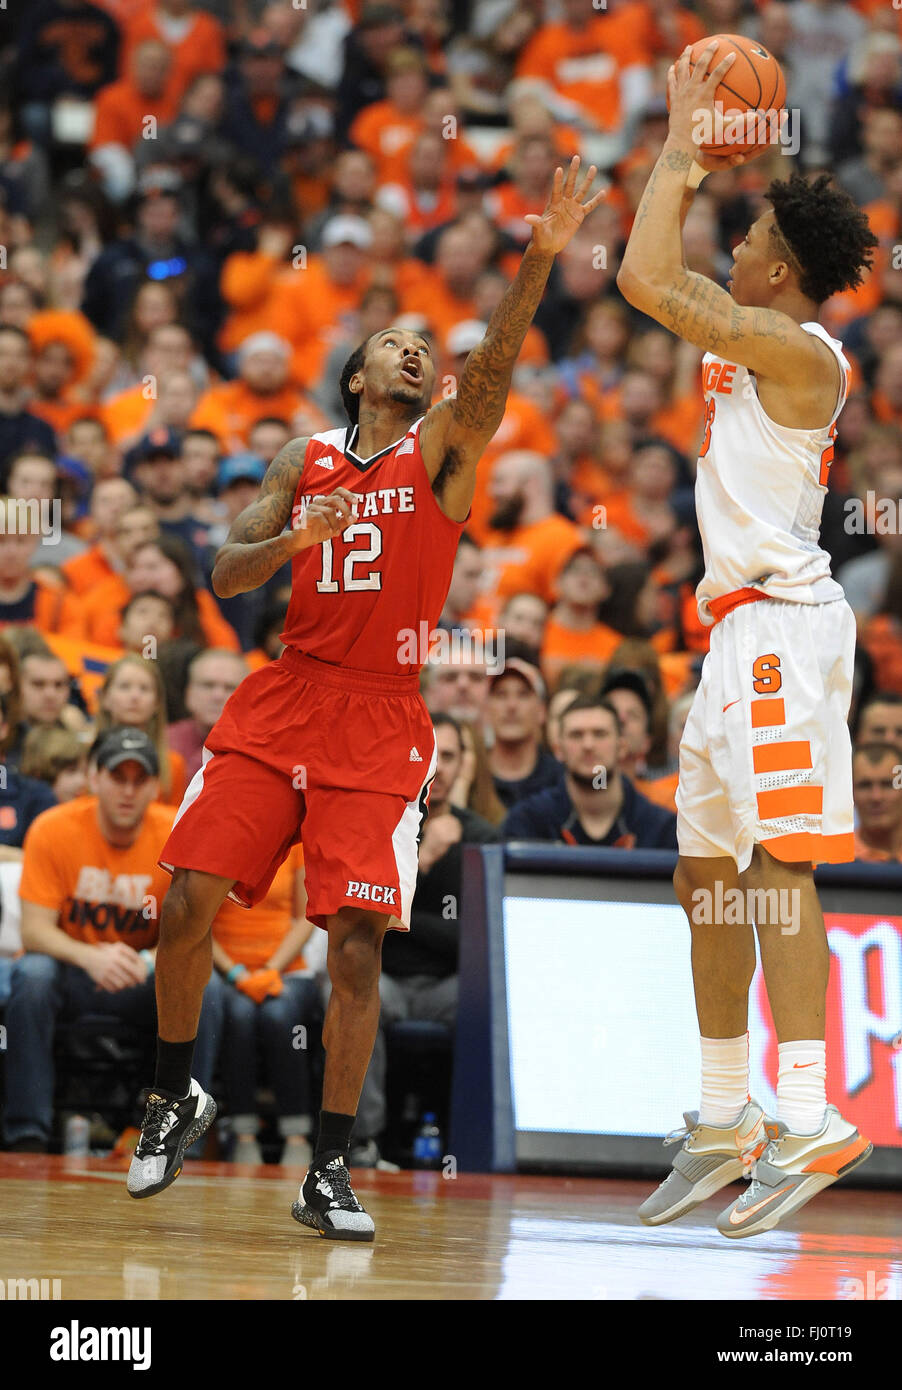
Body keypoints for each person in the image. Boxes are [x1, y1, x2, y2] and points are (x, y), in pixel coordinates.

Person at [126, 156, 604, 1239]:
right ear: (353, 375)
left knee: (354, 945)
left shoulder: (442, 451)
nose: (416, 349)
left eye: (423, 345)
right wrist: (297, 535)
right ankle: (172, 1094)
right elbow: (224, 575)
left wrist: (533, 260)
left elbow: (490, 372)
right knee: (188, 901)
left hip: (381, 713)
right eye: (394, 341)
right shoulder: (300, 458)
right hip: (284, 693)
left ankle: (329, 1167)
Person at [616, 44, 879, 1237]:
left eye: (749, 236)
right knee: (701, 878)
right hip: (730, 637)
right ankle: (726, 1112)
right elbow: (665, 273)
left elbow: (643, 281)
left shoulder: (800, 350)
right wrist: (708, 150)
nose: (733, 244)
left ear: (778, 266)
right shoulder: (757, 329)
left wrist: (682, 138)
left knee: (779, 865)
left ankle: (811, 1110)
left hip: (780, 627)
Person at [1, 728, 219, 1152]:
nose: (128, 791)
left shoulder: (178, 833)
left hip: (145, 977)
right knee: (32, 974)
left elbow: (197, 934)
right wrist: (90, 957)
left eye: (140, 780)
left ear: (156, 787)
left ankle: (181, 1138)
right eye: (118, 777)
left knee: (201, 988)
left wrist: (153, 961)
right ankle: (27, 1131)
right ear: (94, 778)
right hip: (74, 973)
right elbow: (34, 929)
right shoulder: (53, 828)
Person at [353, 712, 500, 1161]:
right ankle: (361, 1144)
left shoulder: (482, 838)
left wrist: (408, 923)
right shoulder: (379, 828)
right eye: (427, 756)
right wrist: (425, 857)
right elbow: (362, 923)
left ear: (463, 767)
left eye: (449, 757)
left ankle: (473, 1145)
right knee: (353, 992)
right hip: (387, 978)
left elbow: (479, 946)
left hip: (450, 987)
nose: (436, 768)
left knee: (490, 1002)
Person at [502, 694, 678, 848]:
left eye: (600, 734)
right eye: (576, 735)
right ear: (558, 750)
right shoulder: (527, 823)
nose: (588, 745)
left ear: (622, 747)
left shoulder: (662, 830)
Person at [485, 657, 560, 810]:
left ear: (542, 710)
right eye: (501, 694)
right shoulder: (471, 777)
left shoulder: (562, 780)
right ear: (486, 710)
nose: (511, 705)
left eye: (523, 694)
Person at [166, 648, 249, 783]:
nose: (217, 696)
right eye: (208, 685)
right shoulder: (165, 742)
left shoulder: (257, 750)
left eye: (229, 687)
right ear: (189, 692)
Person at [851, 740, 902, 861]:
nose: (876, 797)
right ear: (850, 792)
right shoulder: (831, 860)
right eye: (865, 785)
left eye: (887, 784)